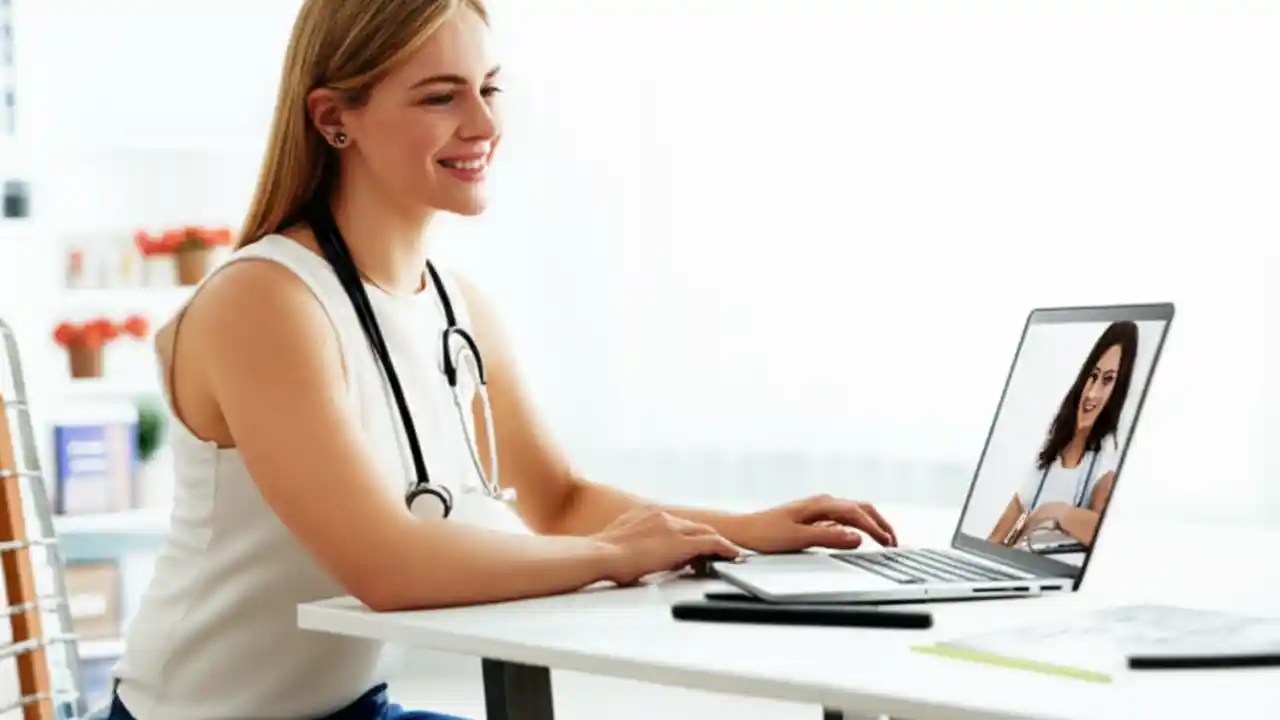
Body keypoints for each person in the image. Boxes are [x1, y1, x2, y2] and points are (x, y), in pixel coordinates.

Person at [103, 1, 897, 718]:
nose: (483, 123)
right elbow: (386, 567)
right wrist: (612, 558)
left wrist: (747, 531)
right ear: (334, 118)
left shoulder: (456, 304)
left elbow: (558, 501)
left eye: (489, 88)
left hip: (356, 710)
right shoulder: (265, 301)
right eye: (440, 96)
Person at [987, 321, 1139, 551]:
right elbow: (996, 538)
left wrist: (1050, 512)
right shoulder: (1048, 458)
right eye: (1093, 376)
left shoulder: (1105, 462)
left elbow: (1102, 532)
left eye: (1108, 380)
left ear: (1118, 391)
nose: (1093, 393)